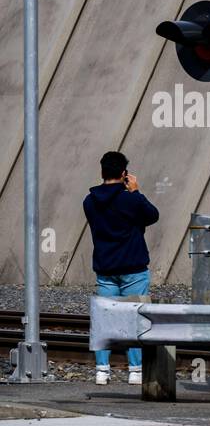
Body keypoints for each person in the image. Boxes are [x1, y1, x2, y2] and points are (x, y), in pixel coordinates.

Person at [83, 151, 159, 385]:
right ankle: (135, 370)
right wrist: (136, 191)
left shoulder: (90, 201)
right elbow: (152, 215)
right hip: (133, 268)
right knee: (135, 317)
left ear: (102, 172)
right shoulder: (131, 199)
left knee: (105, 319)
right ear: (124, 173)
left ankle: (102, 371)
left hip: (105, 268)